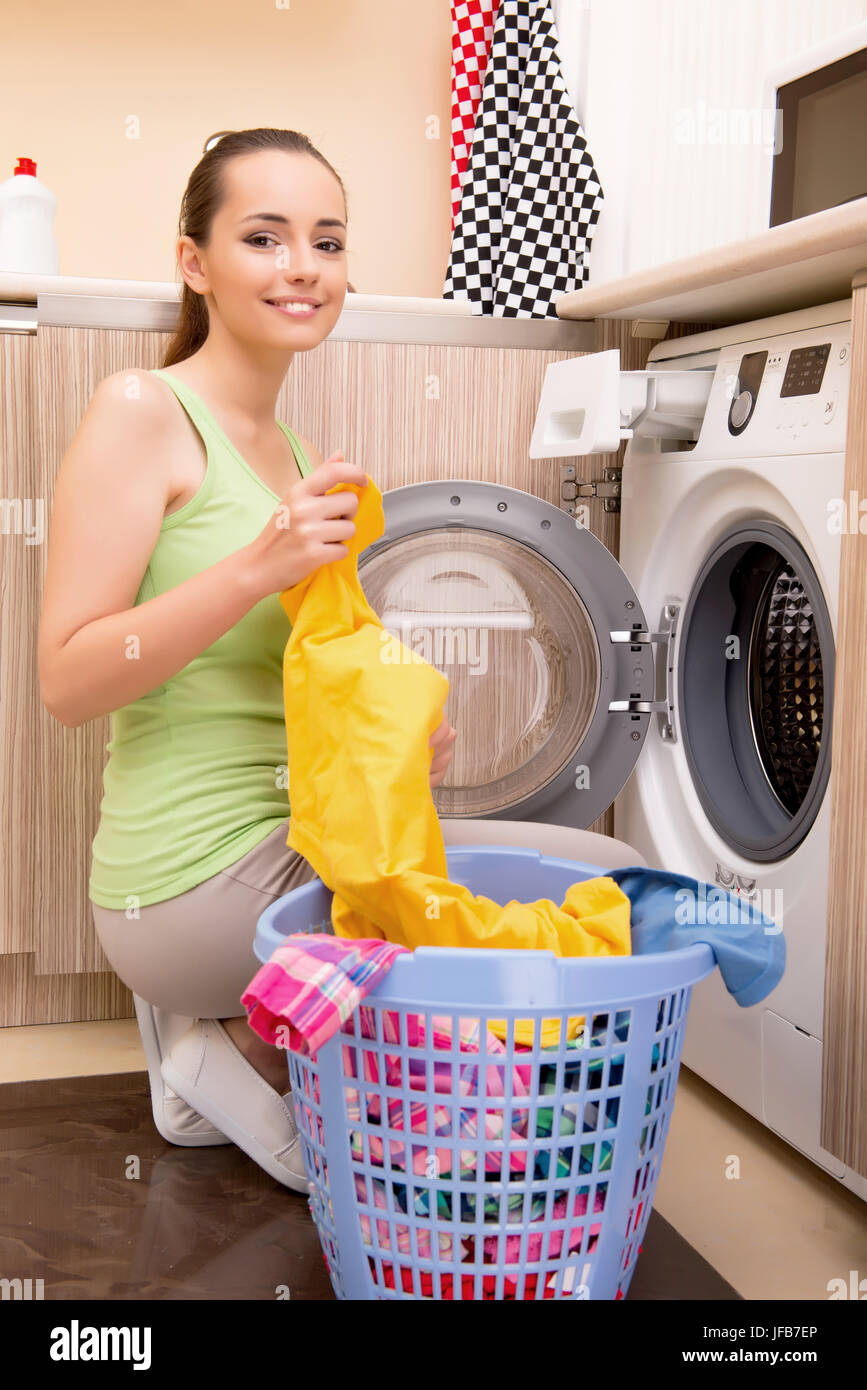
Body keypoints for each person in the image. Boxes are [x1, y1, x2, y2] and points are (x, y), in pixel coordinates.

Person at [37, 127, 457, 1191]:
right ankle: (222, 1033)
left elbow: (308, 679)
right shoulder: (144, 411)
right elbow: (67, 681)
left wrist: (400, 733)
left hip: (273, 841)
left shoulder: (303, 455)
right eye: (263, 237)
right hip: (181, 881)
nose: (303, 266)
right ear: (195, 262)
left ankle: (225, 1050)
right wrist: (253, 568)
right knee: (431, 929)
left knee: (443, 869)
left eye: (327, 240)